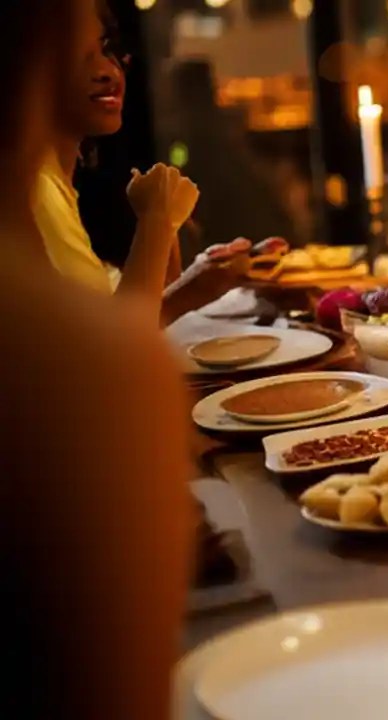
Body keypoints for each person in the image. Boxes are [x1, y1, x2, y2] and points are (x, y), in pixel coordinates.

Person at [1, 0, 193, 717]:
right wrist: (156, 223)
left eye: (112, 50)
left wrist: (183, 269)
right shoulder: (31, 209)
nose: (106, 67)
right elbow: (122, 341)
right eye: (85, 46)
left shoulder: (49, 192)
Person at [34, 0, 249, 324]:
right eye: (77, 55)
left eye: (105, 48)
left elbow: (118, 323)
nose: (107, 71)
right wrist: (156, 219)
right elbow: (115, 349)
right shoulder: (35, 189)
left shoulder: (54, 181)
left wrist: (195, 282)